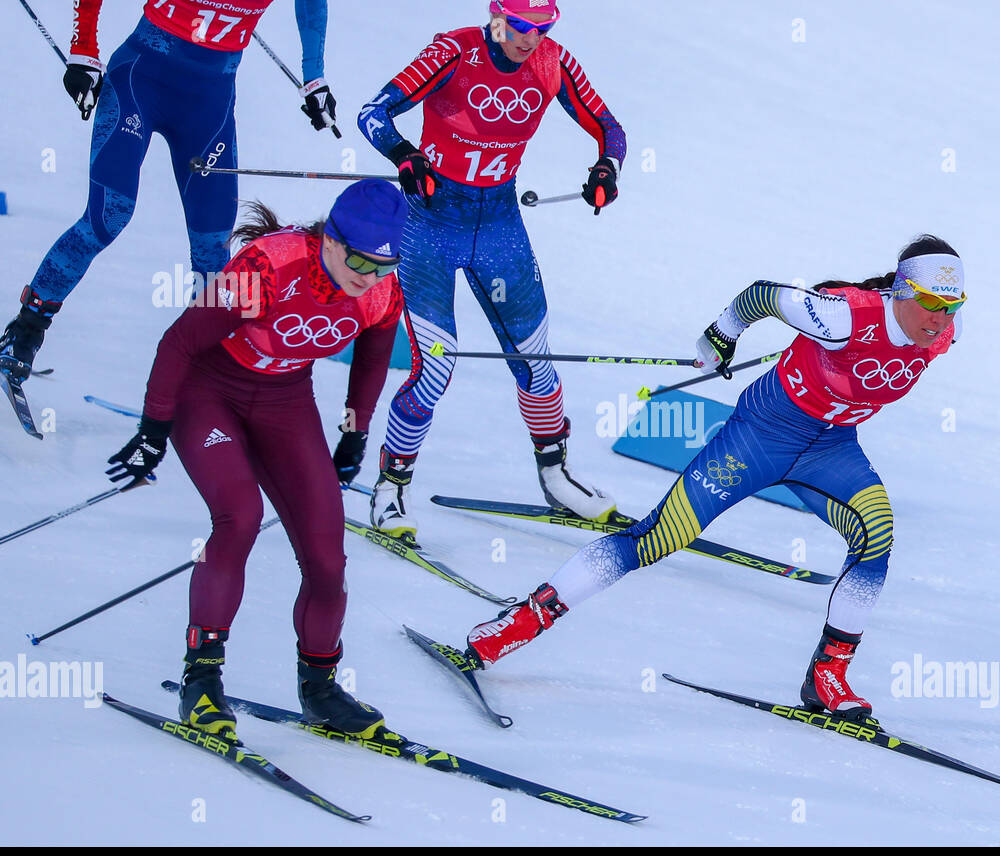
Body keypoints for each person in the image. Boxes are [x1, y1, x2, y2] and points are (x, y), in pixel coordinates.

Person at [462, 235, 968, 723]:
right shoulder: (842, 316)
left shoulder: (947, 330)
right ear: (901, 290)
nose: (939, 318)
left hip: (832, 449)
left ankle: (827, 676)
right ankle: (523, 619)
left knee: (877, 535)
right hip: (760, 437)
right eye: (929, 303)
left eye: (951, 305)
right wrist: (720, 337)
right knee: (659, 538)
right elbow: (762, 295)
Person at [105, 180, 409, 742]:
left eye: (385, 267)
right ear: (332, 239)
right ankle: (202, 680)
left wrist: (355, 431)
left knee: (328, 558)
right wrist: (153, 428)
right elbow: (179, 342)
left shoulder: (378, 291)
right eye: (363, 261)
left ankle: (320, 688)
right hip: (209, 392)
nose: (369, 278)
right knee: (239, 517)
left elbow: (371, 358)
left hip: (284, 402)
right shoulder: (271, 268)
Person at [357, 0, 627, 540]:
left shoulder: (552, 62)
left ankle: (556, 475)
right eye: (522, 28)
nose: (531, 39)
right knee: (435, 370)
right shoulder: (454, 50)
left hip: (498, 228)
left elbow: (610, 129)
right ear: (498, 16)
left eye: (543, 28)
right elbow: (373, 112)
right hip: (431, 227)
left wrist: (607, 168)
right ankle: (391, 487)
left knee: (536, 365)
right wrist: (404, 155)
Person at [0, 0, 336, 391]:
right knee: (108, 216)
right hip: (141, 80)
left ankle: (203, 369)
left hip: (209, 106)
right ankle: (27, 329)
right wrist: (84, 51)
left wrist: (315, 79)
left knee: (213, 250)